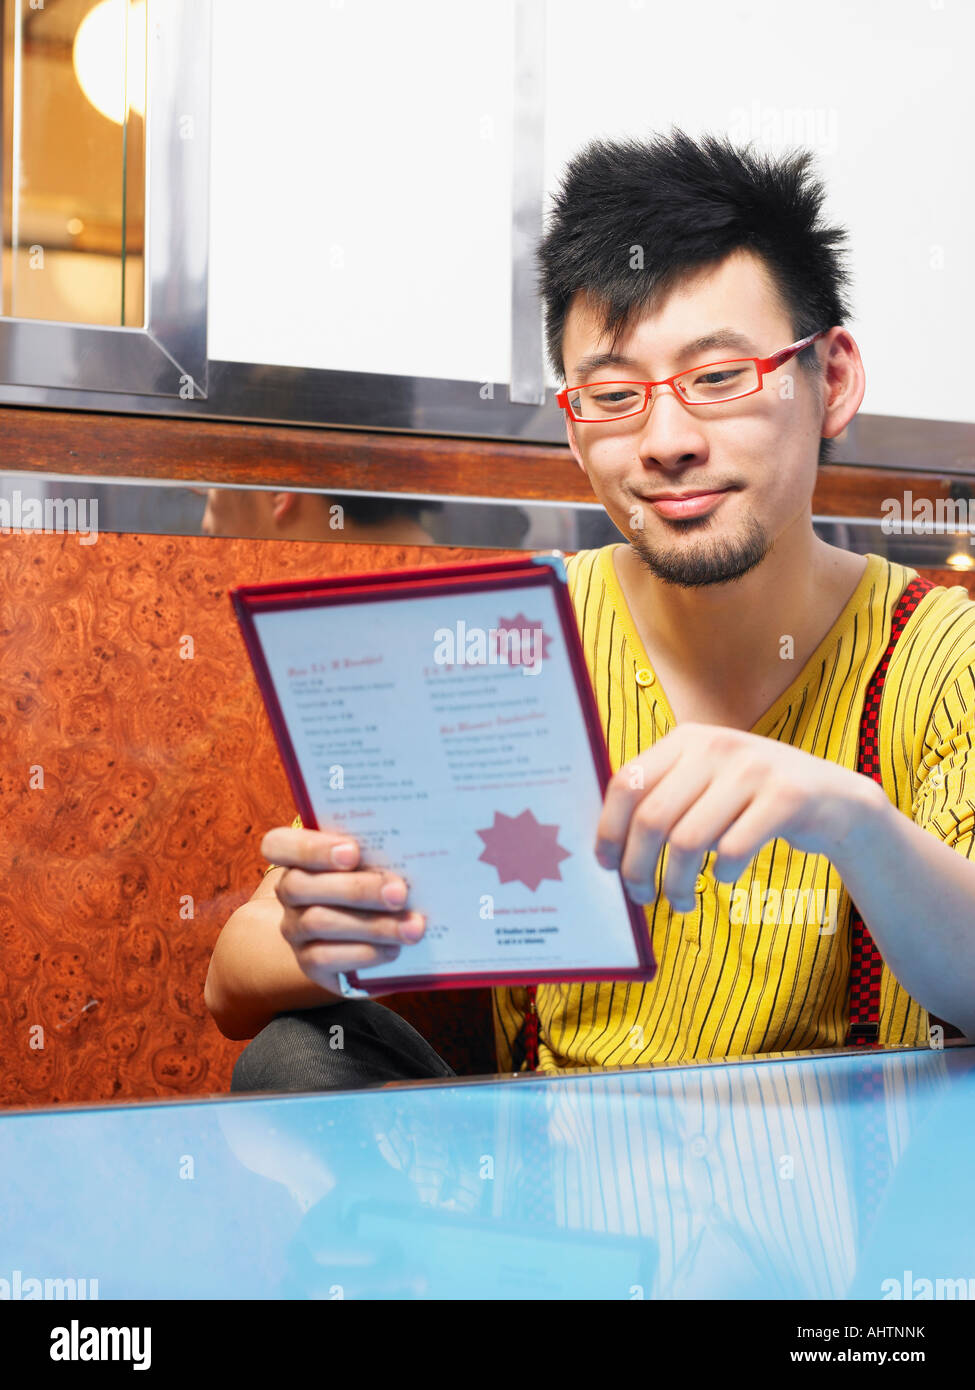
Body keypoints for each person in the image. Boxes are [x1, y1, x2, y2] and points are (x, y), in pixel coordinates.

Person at [206, 127, 975, 1092]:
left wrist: (847, 819)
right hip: (552, 1212)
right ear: (574, 430)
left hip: (851, 1210)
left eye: (718, 377)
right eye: (613, 394)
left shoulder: (944, 657)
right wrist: (330, 940)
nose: (665, 440)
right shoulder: (506, 639)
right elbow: (230, 983)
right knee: (291, 1063)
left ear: (834, 379)